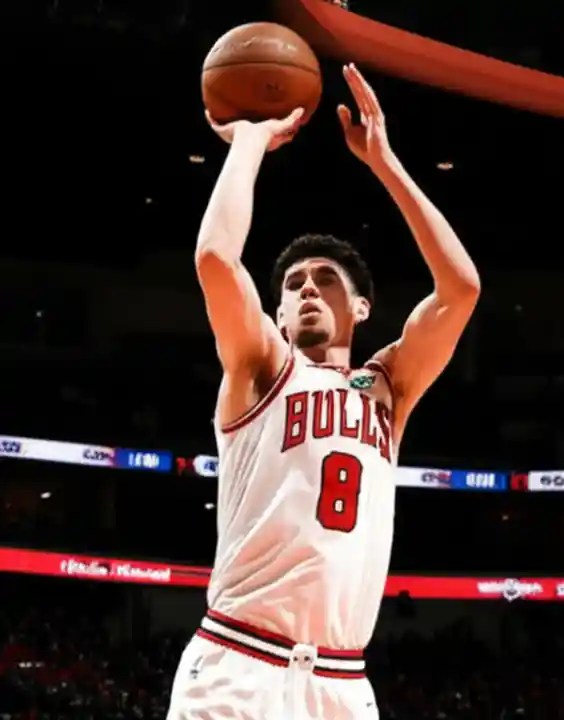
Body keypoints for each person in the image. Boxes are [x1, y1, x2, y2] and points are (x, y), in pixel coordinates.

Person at [167, 63, 480, 719]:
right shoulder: (260, 366)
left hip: (341, 681)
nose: (308, 289)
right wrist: (250, 140)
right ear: (277, 315)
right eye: (294, 285)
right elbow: (215, 260)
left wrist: (386, 163)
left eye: (327, 281)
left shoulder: (387, 387)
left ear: (362, 308)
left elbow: (461, 289)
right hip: (239, 665)